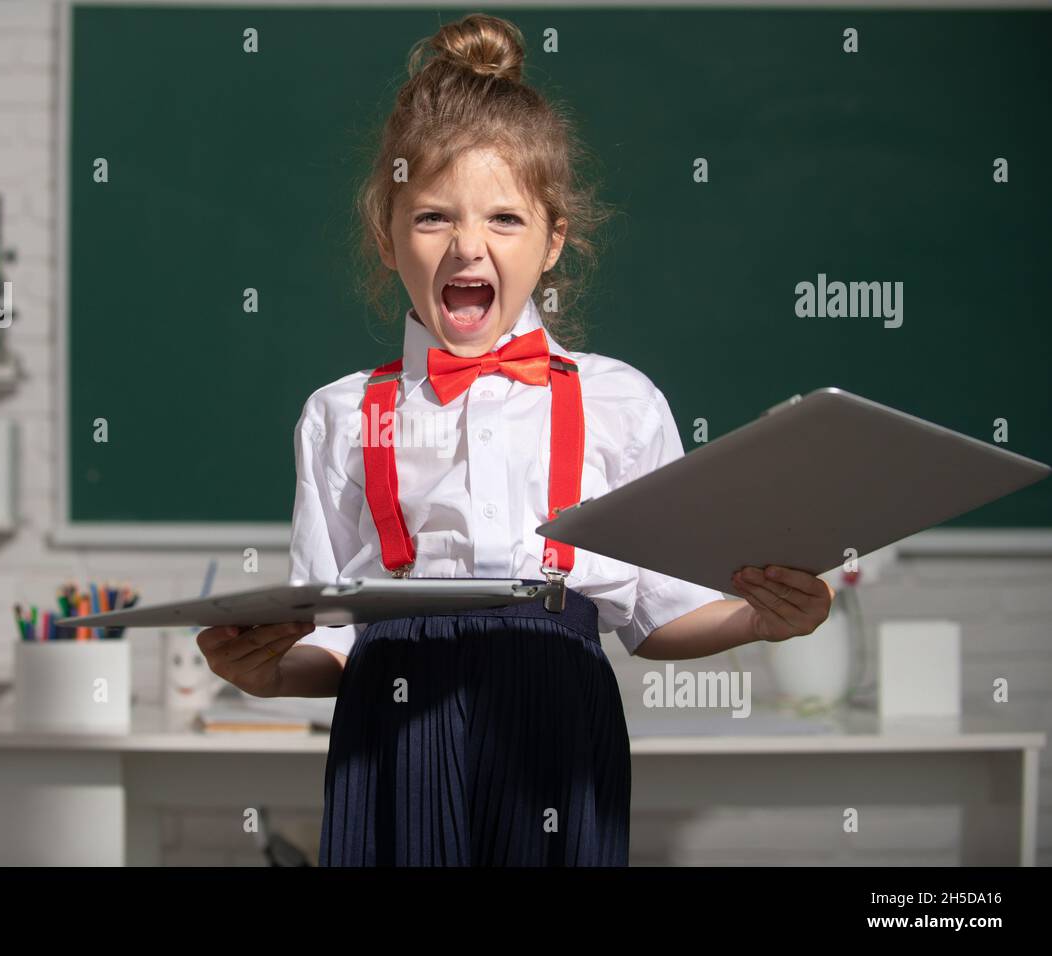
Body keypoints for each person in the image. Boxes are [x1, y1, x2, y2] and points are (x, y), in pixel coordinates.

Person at [197, 13, 833, 866]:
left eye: (504, 218)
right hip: (392, 723)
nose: (468, 245)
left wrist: (763, 618)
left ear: (552, 240)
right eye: (431, 218)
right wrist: (267, 672)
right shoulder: (339, 414)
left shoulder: (623, 402)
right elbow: (332, 642)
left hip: (559, 714)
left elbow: (657, 618)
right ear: (386, 237)